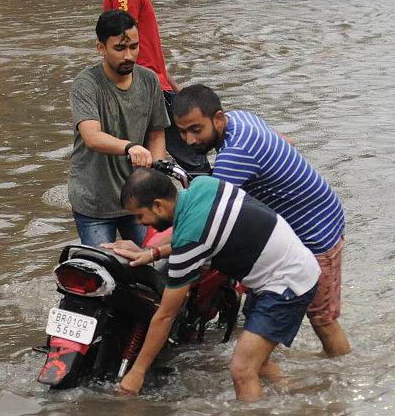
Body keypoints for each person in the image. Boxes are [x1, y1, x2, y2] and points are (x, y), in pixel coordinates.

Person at [117, 84, 350, 356]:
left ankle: (337, 383)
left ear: (217, 118)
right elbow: (287, 142)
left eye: (196, 130)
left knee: (322, 319)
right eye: (182, 132)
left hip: (315, 229)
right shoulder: (241, 118)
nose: (190, 141)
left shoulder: (234, 156)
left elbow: (202, 219)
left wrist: (149, 251)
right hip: (306, 215)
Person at [114, 169, 320, 400]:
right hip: (291, 264)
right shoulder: (204, 185)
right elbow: (197, 232)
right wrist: (152, 253)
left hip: (285, 282)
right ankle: (306, 402)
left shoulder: (192, 241)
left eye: (140, 216)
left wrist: (137, 372)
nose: (139, 223)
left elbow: (165, 316)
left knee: (242, 370)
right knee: (259, 364)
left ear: (159, 206)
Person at [103, 0, 208, 172]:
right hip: (147, 89)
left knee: (162, 158)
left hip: (157, 85)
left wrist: (173, 85)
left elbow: (149, 51)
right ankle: (212, 206)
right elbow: (123, 45)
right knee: (194, 158)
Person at [68, 9, 170, 246]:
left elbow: (156, 134)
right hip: (94, 203)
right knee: (102, 272)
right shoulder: (86, 84)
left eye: (134, 47)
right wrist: (131, 147)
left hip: (137, 200)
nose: (129, 56)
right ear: (101, 48)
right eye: (119, 48)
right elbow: (92, 137)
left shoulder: (149, 80)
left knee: (154, 263)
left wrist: (154, 180)